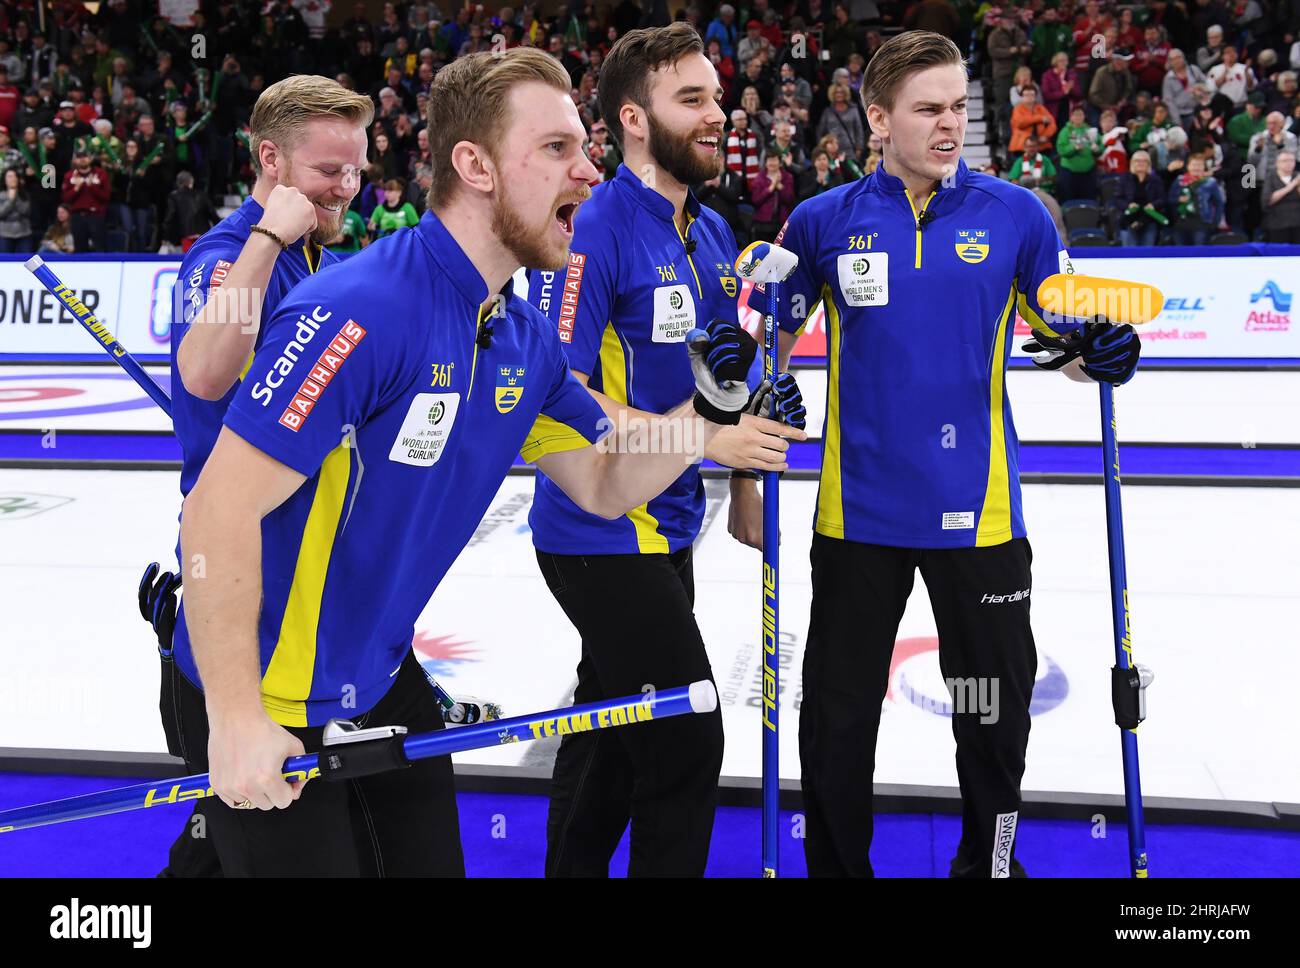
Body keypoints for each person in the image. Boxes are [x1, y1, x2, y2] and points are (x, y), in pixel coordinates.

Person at [172, 46, 768, 877]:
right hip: (271, 688)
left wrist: (703, 423)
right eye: (558, 150)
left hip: (379, 676)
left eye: (585, 149)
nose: (590, 172)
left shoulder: (517, 335)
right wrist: (233, 718)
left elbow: (602, 476)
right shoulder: (363, 309)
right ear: (474, 166)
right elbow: (217, 509)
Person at [770, 30, 1143, 878]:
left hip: (979, 522)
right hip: (857, 517)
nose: (950, 126)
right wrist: (757, 392)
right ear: (878, 118)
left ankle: (988, 864)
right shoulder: (823, 220)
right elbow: (767, 339)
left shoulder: (1014, 215)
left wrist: (1103, 354)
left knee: (989, 712)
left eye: (959, 109)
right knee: (840, 717)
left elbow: (1067, 337)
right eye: (928, 109)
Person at [523, 22, 806, 878]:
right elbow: (565, 398)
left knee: (614, 731)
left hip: (669, 525)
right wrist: (706, 435)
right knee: (684, 740)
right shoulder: (593, 229)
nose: (719, 113)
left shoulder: (714, 233)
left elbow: (733, 373)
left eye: (716, 96)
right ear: (634, 121)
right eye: (693, 99)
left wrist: (745, 480)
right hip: (597, 531)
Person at [146, 75, 378, 879]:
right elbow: (206, 373)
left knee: (230, 845)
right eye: (327, 172)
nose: (346, 188)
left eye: (355, 169)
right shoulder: (227, 257)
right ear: (271, 161)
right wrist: (269, 240)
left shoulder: (326, 257)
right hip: (246, 611)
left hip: (315, 599)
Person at [1113, 149, 1169, 245]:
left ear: (1149, 164)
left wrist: (1153, 205)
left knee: (1147, 254)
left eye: (1144, 161)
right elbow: (1117, 199)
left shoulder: (1156, 180)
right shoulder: (1124, 179)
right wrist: (1128, 205)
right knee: (1129, 255)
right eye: (1137, 161)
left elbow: (1162, 199)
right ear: (1132, 163)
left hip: (1149, 220)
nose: (1140, 163)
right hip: (1128, 220)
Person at [1260, 149, 1300, 242]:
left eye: (1291, 160)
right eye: (1285, 161)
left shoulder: (1298, 176)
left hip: (1297, 222)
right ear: (1277, 163)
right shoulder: (1271, 177)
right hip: (1277, 223)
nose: (1289, 163)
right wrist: (1291, 186)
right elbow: (1267, 201)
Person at [0, 166, 32, 252]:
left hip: (24, 233)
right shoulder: (1, 195)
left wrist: (16, 196)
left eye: (14, 176)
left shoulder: (24, 194)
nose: (12, 179)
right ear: (5, 179)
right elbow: (1, 213)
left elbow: (25, 211)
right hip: (5, 234)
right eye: (9, 176)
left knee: (26, 260)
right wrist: (10, 200)